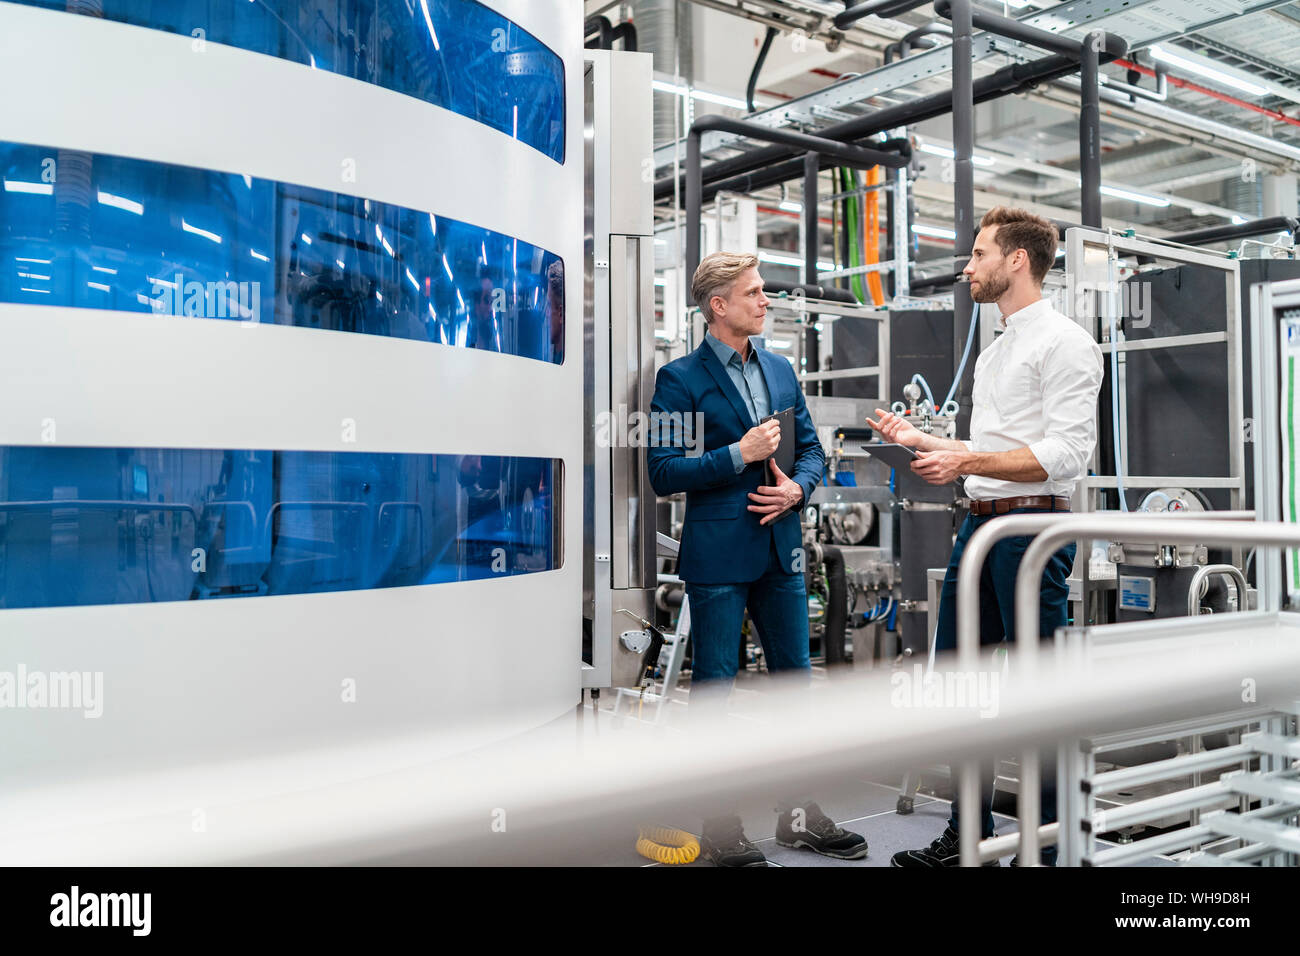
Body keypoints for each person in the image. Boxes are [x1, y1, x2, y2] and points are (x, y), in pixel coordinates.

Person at [872, 206, 1104, 867]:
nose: (968, 266)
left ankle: (1055, 850)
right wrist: (927, 442)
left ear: (1017, 261)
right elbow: (989, 447)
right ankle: (968, 838)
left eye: (978, 254)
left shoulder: (1065, 343)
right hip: (977, 529)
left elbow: (1065, 452)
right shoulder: (997, 347)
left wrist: (966, 461)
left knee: (1040, 700)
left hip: (1031, 534)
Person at [647, 252, 868, 866]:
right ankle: (720, 823)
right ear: (718, 306)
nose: (766, 300)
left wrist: (800, 488)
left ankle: (799, 814)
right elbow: (661, 474)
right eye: (754, 292)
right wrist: (737, 454)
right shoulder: (679, 380)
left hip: (783, 548)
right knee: (715, 687)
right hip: (718, 558)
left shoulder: (779, 368)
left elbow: (813, 454)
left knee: (795, 684)